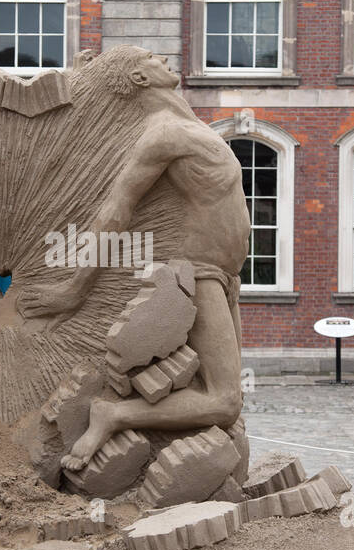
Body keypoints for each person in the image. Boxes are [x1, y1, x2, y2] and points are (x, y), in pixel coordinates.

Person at [18, 46, 250, 469]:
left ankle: (212, 467)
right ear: (140, 79)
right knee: (226, 400)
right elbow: (116, 208)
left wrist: (84, 77)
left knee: (230, 400)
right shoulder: (162, 134)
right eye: (149, 57)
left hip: (227, 276)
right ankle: (116, 415)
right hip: (200, 275)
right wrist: (74, 289)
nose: (161, 57)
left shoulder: (184, 123)